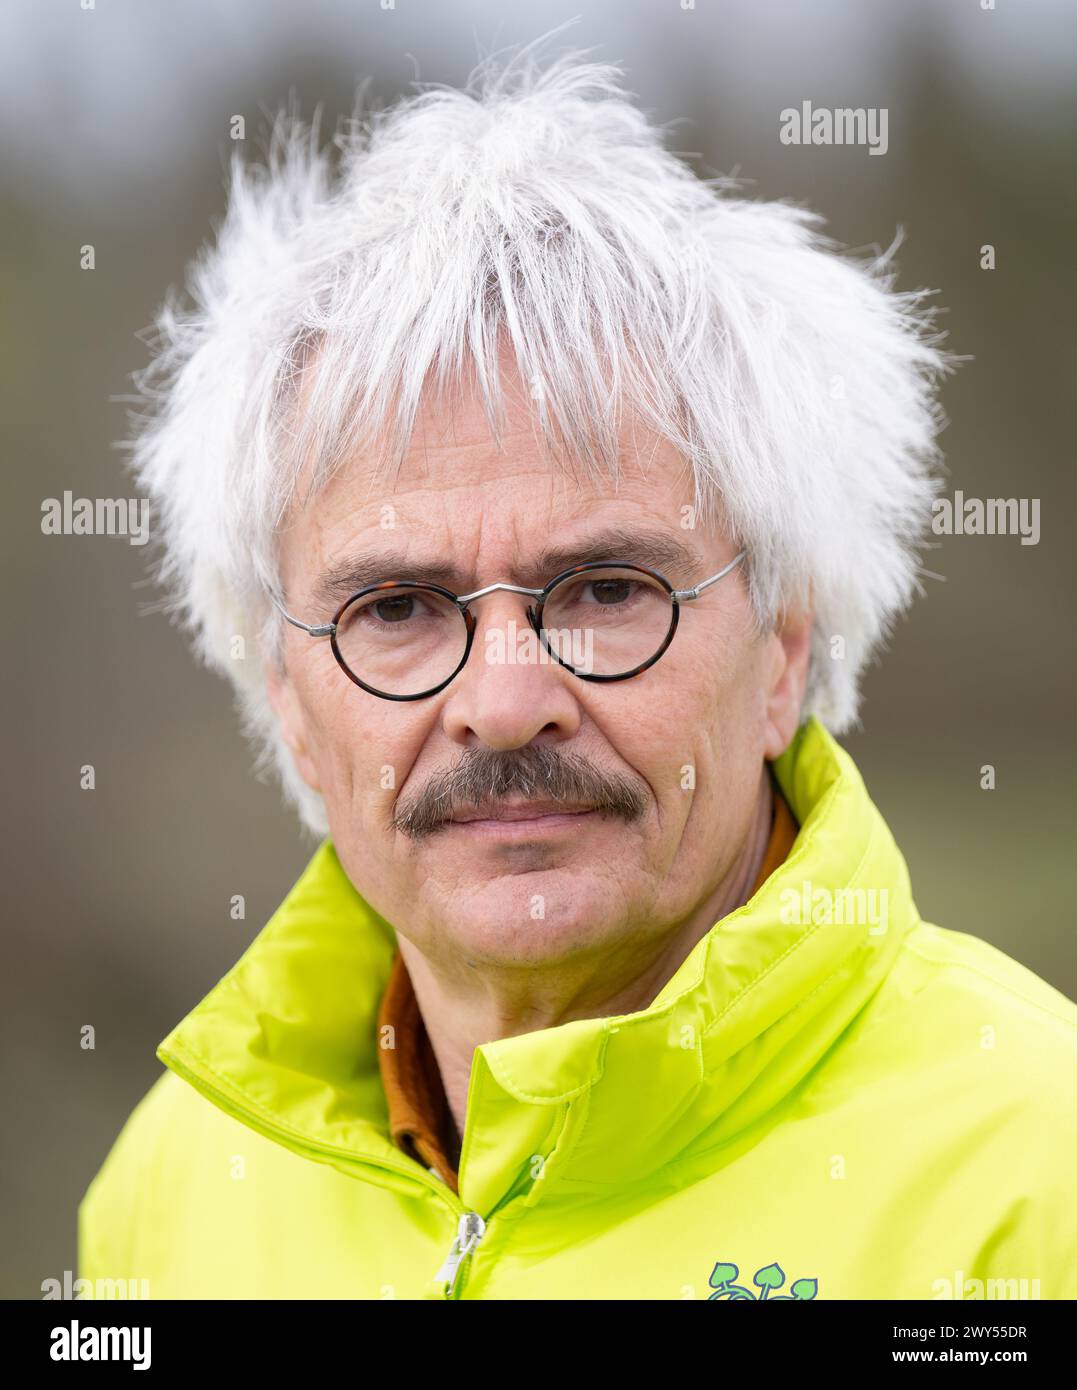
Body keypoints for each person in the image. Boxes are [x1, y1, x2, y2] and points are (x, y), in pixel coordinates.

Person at [79, 55, 1077, 1300]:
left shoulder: (1042, 1177)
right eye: (396, 607)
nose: (503, 701)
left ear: (784, 650)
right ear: (283, 696)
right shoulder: (172, 1190)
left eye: (606, 591)